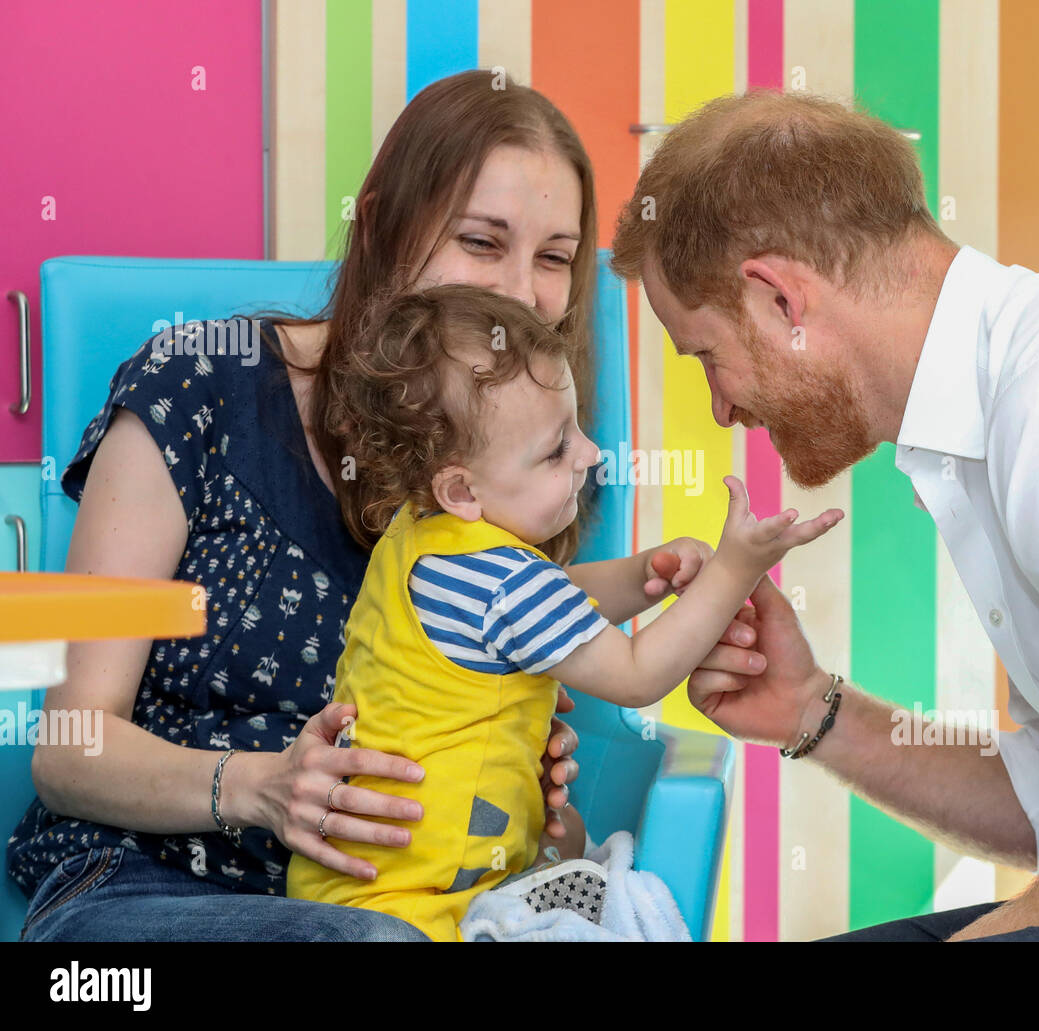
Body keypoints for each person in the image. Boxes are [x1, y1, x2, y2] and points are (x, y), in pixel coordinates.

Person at [6, 69, 757, 943]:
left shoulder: (519, 459)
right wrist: (258, 786)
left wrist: (520, 795)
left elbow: (547, 756)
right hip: (144, 886)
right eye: (482, 241)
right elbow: (69, 747)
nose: (520, 293)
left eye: (554, 257)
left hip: (420, 903)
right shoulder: (198, 390)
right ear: (383, 227)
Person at [609, 88, 1039, 941]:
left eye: (706, 356)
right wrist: (808, 708)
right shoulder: (1000, 406)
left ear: (780, 300)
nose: (720, 408)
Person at [284, 284, 841, 940]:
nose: (589, 454)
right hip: (416, 907)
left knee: (571, 844)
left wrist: (641, 578)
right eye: (555, 450)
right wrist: (734, 568)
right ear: (461, 488)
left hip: (343, 889)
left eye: (577, 427)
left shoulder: (424, 540)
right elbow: (636, 672)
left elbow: (548, 596)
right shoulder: (499, 580)